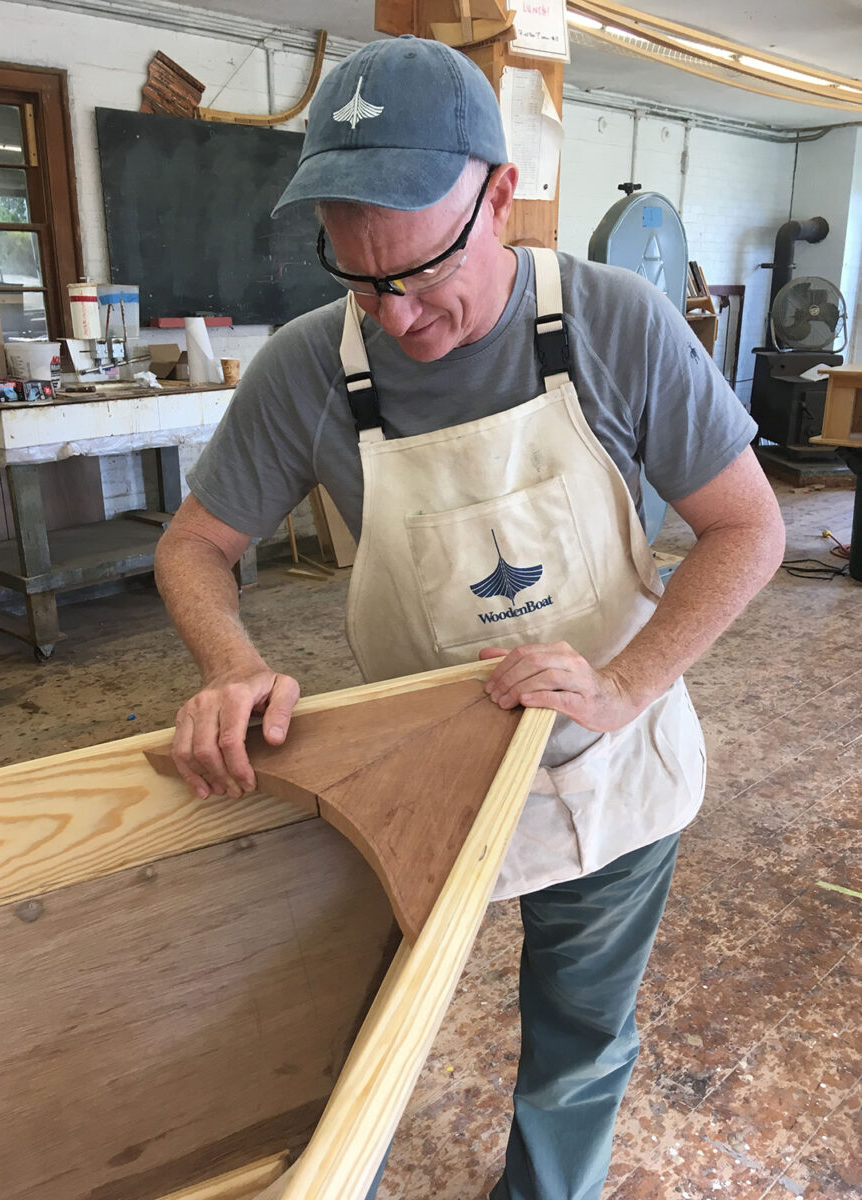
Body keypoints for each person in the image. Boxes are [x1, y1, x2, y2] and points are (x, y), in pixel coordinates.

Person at [154, 34, 785, 1200]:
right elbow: (195, 546)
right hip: (417, 776)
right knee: (359, 1044)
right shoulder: (305, 370)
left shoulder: (618, 324)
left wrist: (628, 684)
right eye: (359, 280)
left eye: (419, 276)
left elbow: (749, 528)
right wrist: (230, 663)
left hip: (606, 762)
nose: (393, 320)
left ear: (500, 196)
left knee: (577, 1042)